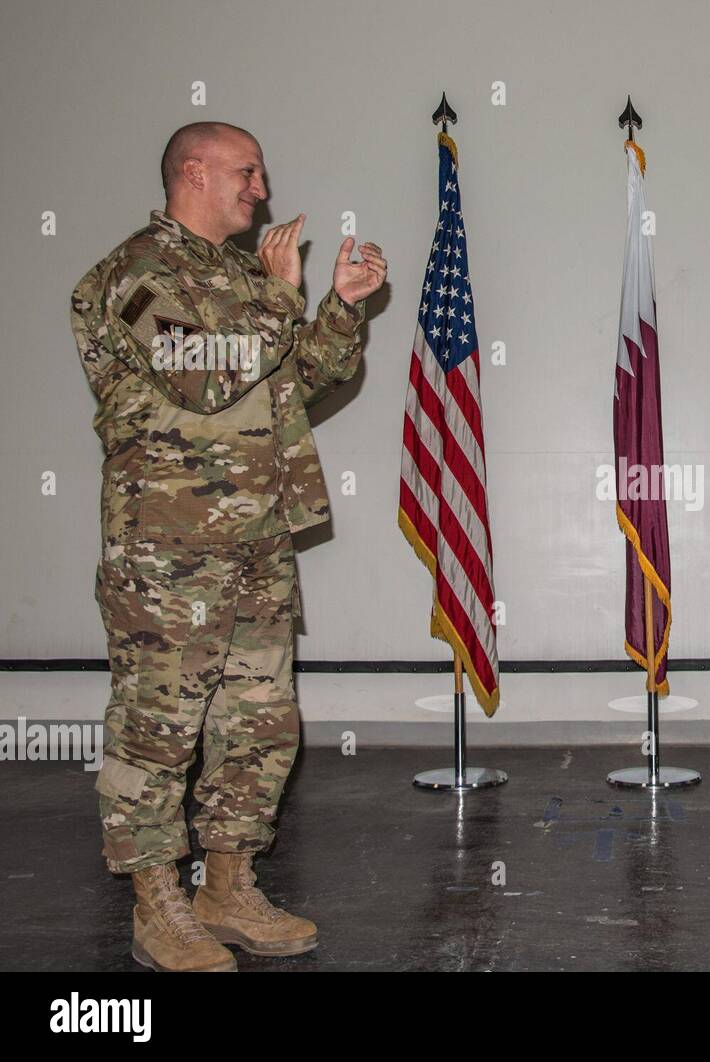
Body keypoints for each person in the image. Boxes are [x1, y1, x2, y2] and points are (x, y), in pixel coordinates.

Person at [70, 121, 387, 971]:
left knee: (258, 720)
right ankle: (155, 902)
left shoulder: (241, 275)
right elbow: (203, 374)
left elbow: (301, 379)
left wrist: (341, 307)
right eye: (248, 173)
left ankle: (228, 884)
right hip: (169, 551)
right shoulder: (134, 273)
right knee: (159, 724)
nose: (262, 189)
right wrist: (282, 297)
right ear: (194, 172)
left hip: (256, 539)